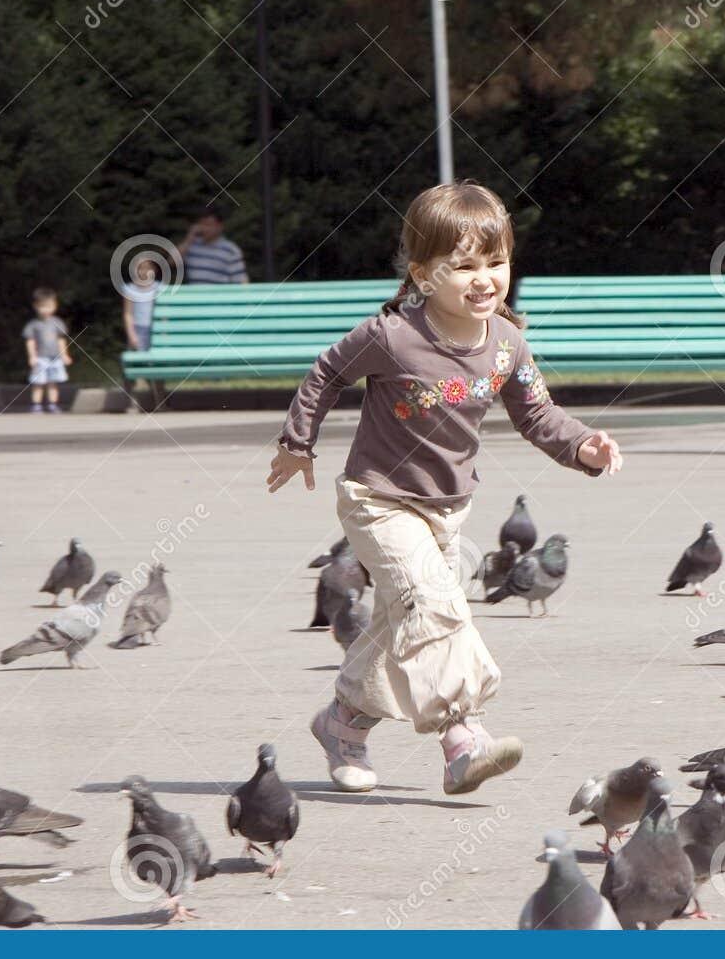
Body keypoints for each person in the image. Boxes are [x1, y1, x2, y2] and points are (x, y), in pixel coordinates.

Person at [267, 181, 623, 796]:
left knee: (395, 624)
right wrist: (297, 443)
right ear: (423, 274)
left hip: (447, 511)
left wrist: (584, 445)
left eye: (496, 262)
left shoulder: (507, 344)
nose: (484, 279)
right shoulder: (392, 335)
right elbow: (326, 372)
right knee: (433, 604)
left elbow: (538, 415)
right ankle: (462, 738)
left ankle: (342, 724)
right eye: (463, 266)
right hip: (379, 501)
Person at [22, 287, 72, 414]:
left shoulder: (57, 323)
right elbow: (30, 341)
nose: (45, 310)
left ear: (55, 306)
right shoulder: (33, 325)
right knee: (38, 382)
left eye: (49, 306)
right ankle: (36, 404)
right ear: (35, 306)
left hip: (55, 357)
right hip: (40, 358)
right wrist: (32, 356)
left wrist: (65, 354)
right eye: (42, 306)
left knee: (53, 382)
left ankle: (53, 404)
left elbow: (61, 340)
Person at [176, 206, 248, 284]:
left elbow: (241, 281)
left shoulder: (231, 250)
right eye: (202, 224)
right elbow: (172, 261)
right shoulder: (191, 246)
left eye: (209, 225)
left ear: (220, 226)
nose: (205, 229)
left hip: (219, 292)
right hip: (194, 291)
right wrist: (189, 238)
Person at [122, 256, 164, 352]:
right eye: (140, 268)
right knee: (138, 355)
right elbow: (128, 314)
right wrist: (132, 335)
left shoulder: (158, 288)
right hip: (137, 328)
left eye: (148, 268)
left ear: (154, 270)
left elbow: (163, 312)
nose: (144, 271)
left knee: (156, 356)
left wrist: (163, 331)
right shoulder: (130, 289)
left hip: (156, 327)